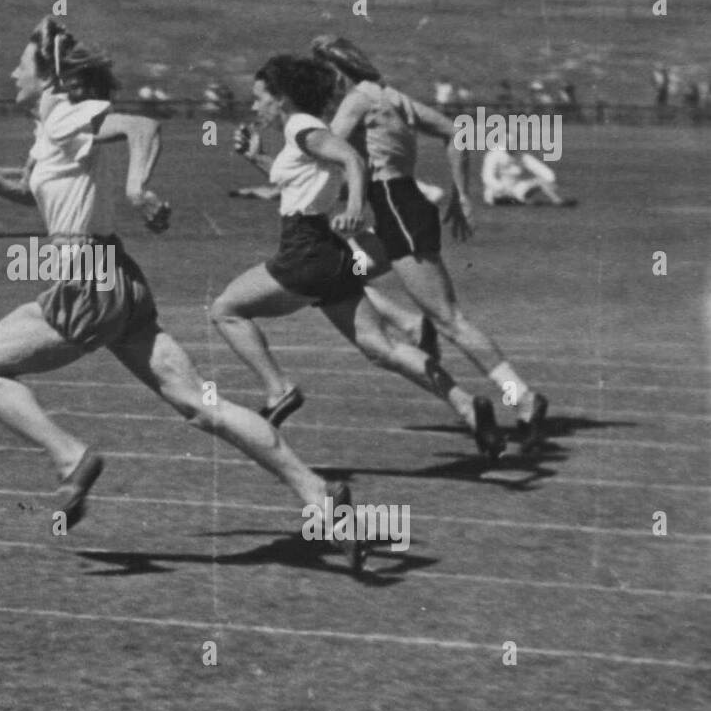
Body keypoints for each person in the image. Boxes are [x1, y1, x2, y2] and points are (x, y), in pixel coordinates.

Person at [0, 18, 365, 566]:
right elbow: (23, 188)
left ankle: (71, 456)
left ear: (53, 78)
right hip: (117, 278)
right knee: (202, 406)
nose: (14, 72)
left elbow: (144, 128)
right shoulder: (51, 131)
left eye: (23, 64)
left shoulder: (66, 114)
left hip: (88, 278)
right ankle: (318, 495)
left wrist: (136, 189)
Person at [211, 55, 505, 461]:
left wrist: (352, 205)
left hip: (305, 249)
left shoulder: (301, 127)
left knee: (225, 309)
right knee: (380, 346)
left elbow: (353, 160)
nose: (254, 105)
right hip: (327, 252)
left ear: (282, 99)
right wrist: (258, 158)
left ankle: (279, 390)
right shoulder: (303, 132)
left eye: (260, 98)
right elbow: (304, 181)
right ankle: (468, 406)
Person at [311, 35, 548, 451]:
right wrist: (460, 193)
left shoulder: (357, 100)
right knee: (337, 276)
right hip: (402, 205)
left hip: (394, 208)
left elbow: (325, 152)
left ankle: (523, 398)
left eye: (323, 75)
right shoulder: (392, 96)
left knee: (449, 320)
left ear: (335, 71)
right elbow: (457, 131)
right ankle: (410, 325)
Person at [482, 149, 575, 207]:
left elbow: (539, 168)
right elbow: (487, 176)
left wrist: (551, 180)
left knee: (541, 181)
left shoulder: (522, 156)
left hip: (516, 189)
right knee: (499, 195)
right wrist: (501, 188)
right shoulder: (493, 155)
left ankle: (558, 202)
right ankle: (514, 200)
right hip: (497, 192)